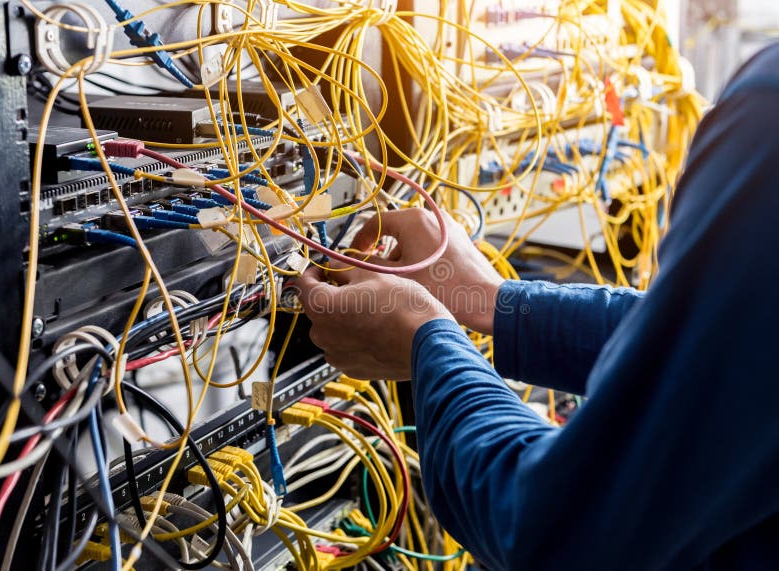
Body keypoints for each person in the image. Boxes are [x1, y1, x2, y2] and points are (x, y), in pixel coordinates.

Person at [295, 43, 779, 570]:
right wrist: (494, 303)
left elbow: (554, 529)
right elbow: (728, 356)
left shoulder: (767, 114)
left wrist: (428, 341)